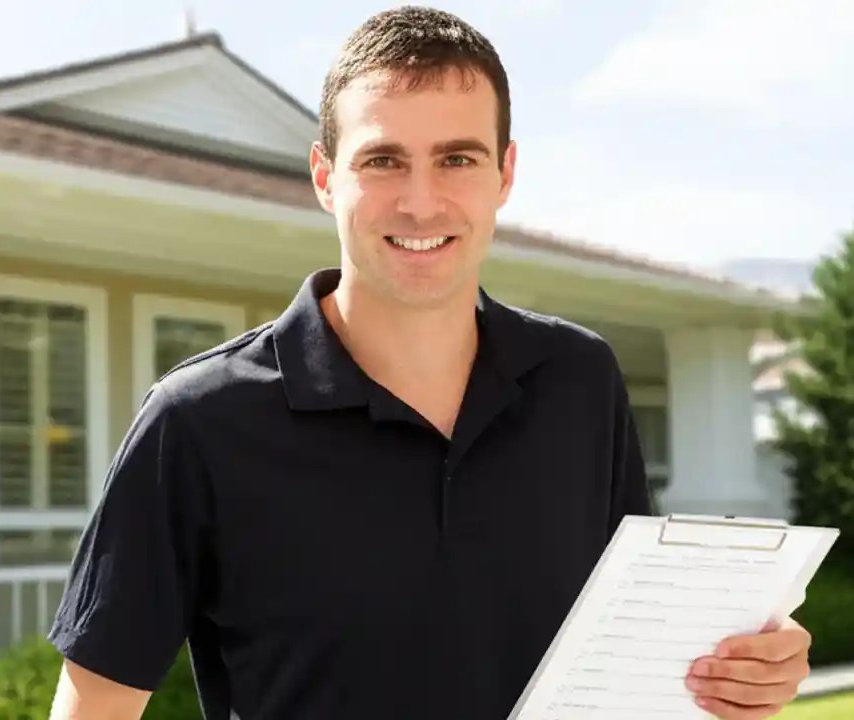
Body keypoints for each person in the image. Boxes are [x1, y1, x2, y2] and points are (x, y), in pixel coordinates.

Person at [47, 6, 813, 719]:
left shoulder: (580, 382)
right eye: (383, 160)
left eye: (456, 158)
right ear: (324, 177)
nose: (421, 202)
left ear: (504, 174)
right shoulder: (198, 421)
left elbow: (635, 655)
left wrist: (745, 669)